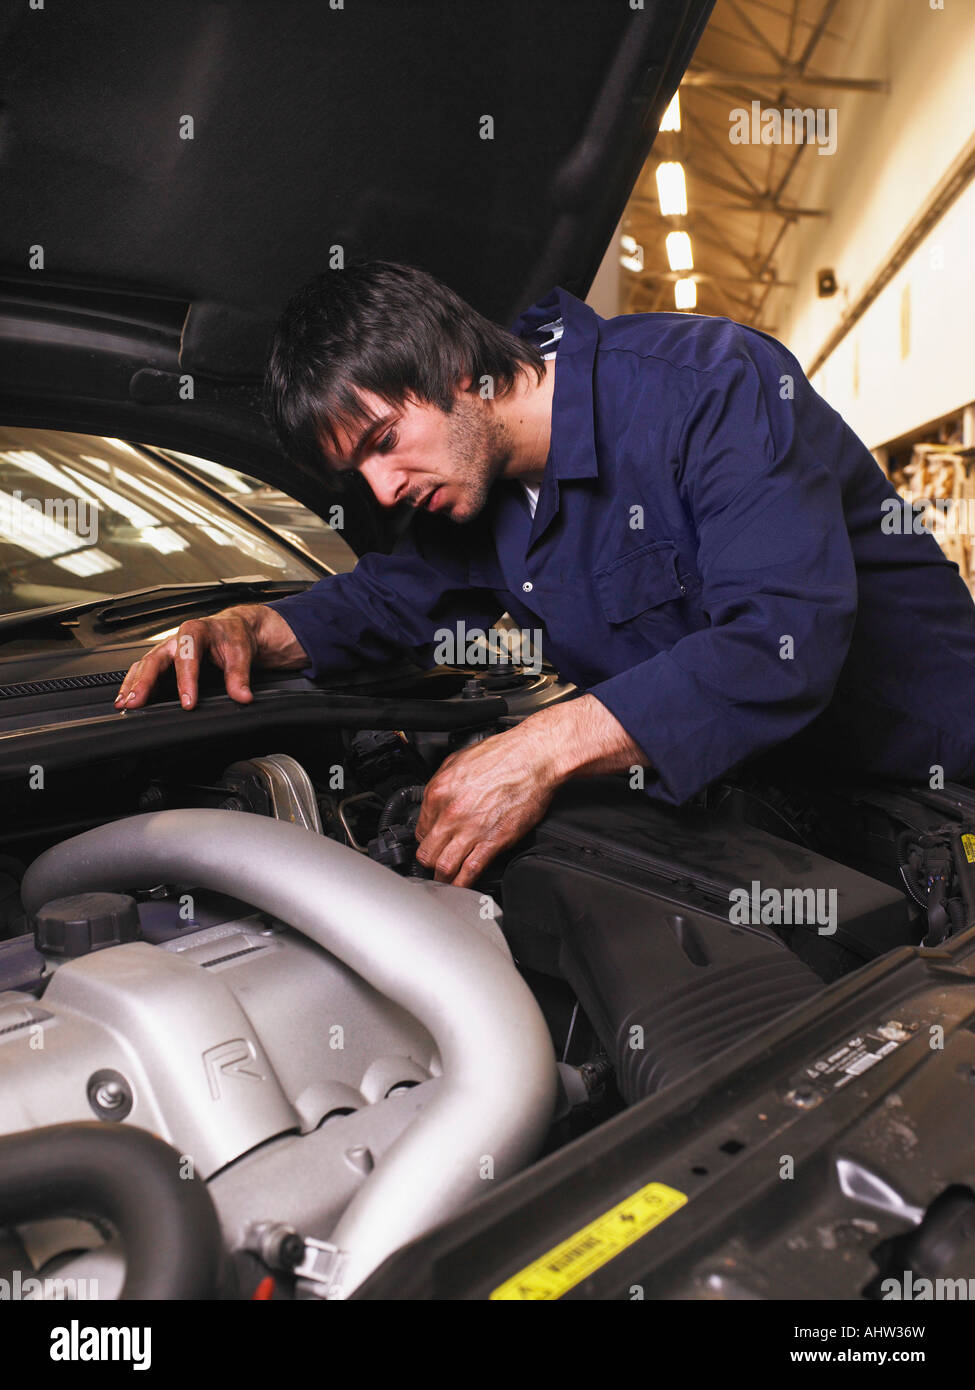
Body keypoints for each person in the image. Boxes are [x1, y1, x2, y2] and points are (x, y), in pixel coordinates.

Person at [115, 260, 975, 886]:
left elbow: (780, 641)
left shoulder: (709, 386)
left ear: (457, 370)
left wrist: (538, 750)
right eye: (359, 473)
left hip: (922, 784)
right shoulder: (471, 493)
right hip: (771, 801)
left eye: (383, 442)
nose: (382, 487)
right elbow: (382, 600)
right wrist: (251, 628)